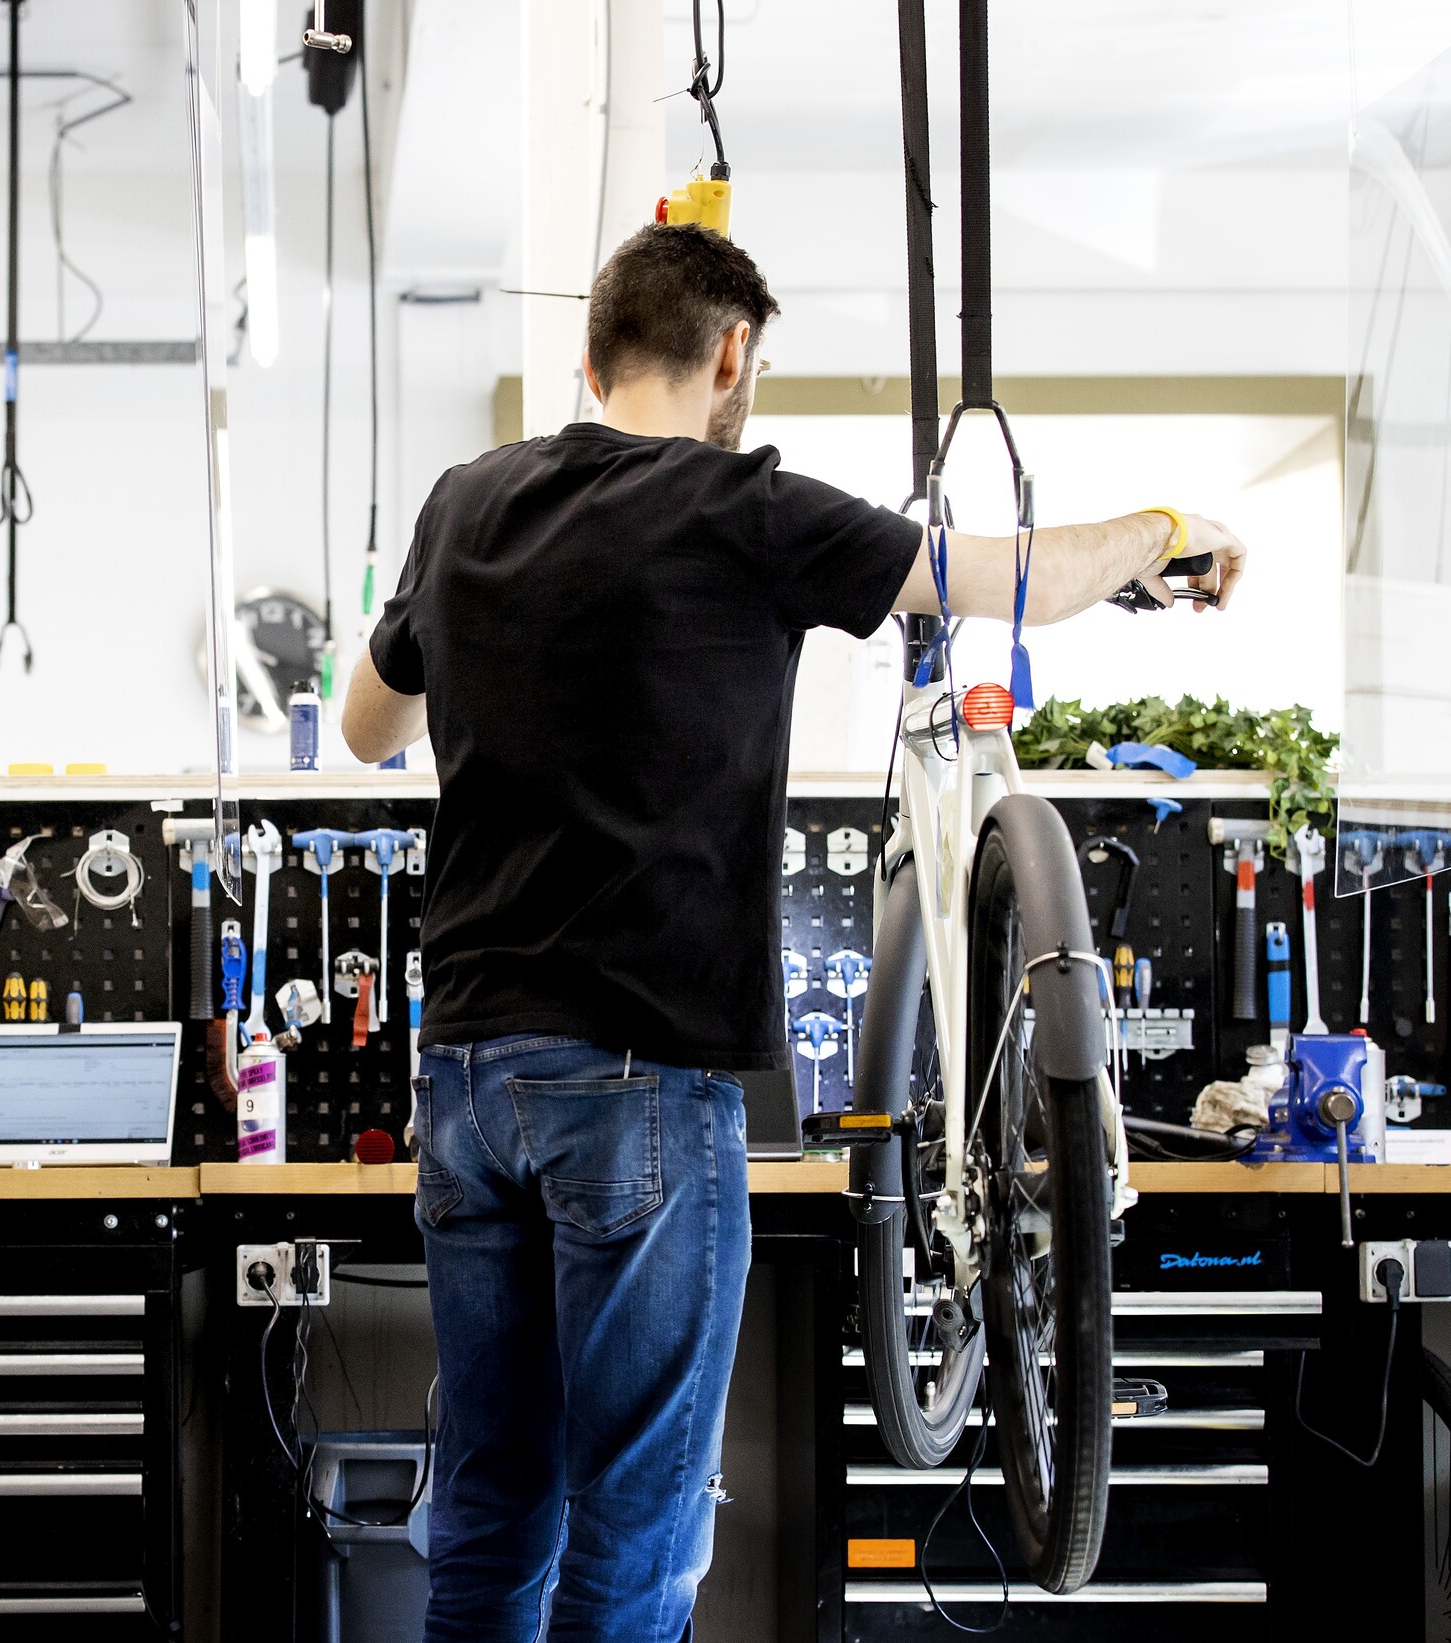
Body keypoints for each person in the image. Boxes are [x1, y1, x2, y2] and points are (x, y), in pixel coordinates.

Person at [341, 223, 1248, 1641]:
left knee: (492, 1513)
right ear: (732, 355)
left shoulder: (468, 500)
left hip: (463, 1080)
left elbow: (364, 723)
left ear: (587, 358)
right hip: (641, 1075)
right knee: (634, 1539)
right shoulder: (739, 504)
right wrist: (1164, 532)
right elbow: (993, 576)